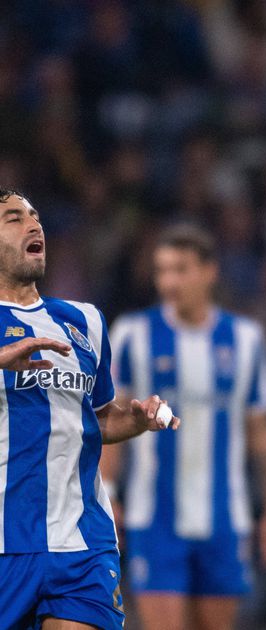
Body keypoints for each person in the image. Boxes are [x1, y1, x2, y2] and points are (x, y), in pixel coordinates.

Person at [0, 188, 179, 630]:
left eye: (35, 215)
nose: (33, 224)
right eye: (13, 218)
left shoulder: (84, 321)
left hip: (83, 543)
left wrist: (134, 419)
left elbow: (98, 418)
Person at [101, 225, 266, 630]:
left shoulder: (246, 339)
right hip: (155, 517)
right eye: (162, 271)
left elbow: (258, 429)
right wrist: (109, 493)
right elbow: (112, 418)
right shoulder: (134, 333)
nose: (168, 281)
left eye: (181, 269)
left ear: (209, 272)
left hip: (225, 517)